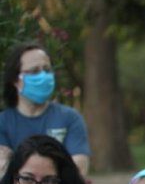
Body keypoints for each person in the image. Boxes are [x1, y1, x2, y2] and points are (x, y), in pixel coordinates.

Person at [0, 44, 89, 177]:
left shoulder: (70, 118)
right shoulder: (3, 122)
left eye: (47, 70)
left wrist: (18, 167)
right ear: (15, 80)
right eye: (34, 71)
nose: (43, 76)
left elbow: (78, 171)